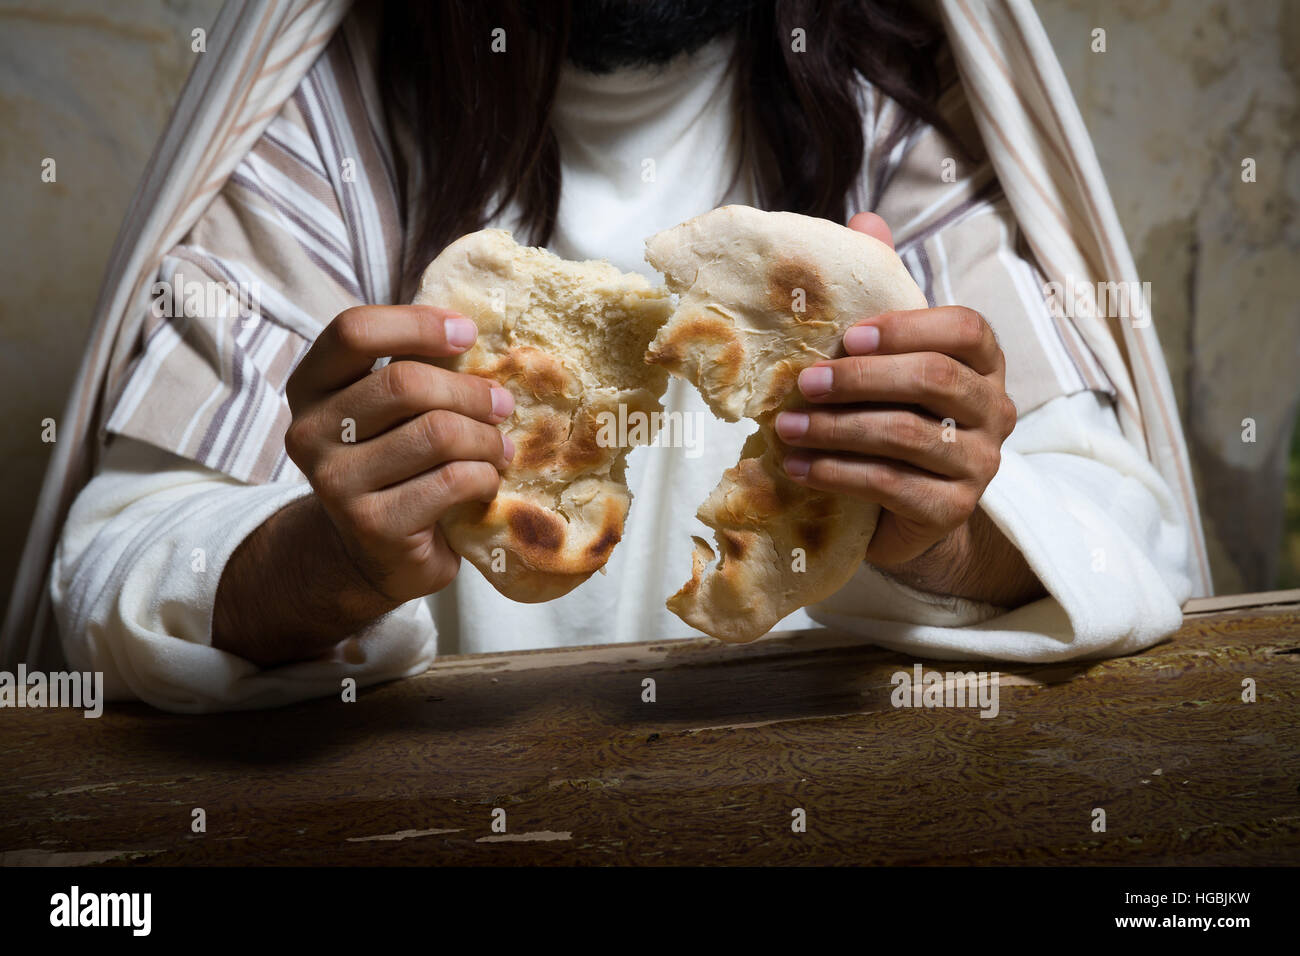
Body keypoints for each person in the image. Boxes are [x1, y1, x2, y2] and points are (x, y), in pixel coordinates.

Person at [47, 0, 1198, 712]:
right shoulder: (322, 131)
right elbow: (112, 586)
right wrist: (333, 561)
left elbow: (1124, 544)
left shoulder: (889, 104)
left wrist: (948, 535)